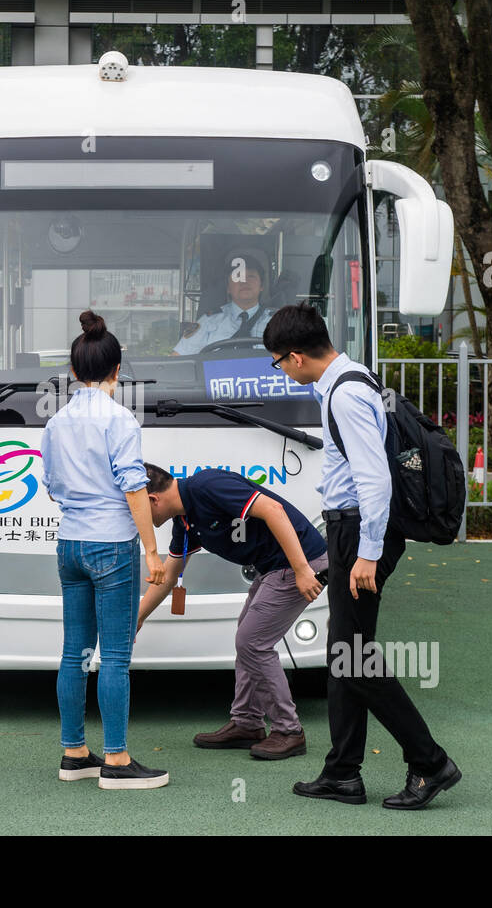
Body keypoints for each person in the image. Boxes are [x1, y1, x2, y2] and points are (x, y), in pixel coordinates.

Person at [264, 302, 460, 809]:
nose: (282, 372)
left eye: (278, 363)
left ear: (295, 356)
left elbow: (375, 480)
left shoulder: (345, 395)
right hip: (352, 532)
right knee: (344, 653)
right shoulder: (354, 378)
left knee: (352, 659)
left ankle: (430, 763)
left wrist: (367, 555)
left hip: (360, 535)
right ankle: (343, 772)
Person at [41, 310, 170, 790]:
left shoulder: (56, 423)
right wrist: (153, 553)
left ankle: (74, 753)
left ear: (73, 372)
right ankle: (116, 761)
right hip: (111, 545)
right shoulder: (121, 420)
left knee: (74, 651)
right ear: (118, 370)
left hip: (69, 543)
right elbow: (135, 490)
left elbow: (51, 487)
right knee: (115, 656)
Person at [137, 466, 328, 760]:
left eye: (136, 511)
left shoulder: (207, 486)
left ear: (152, 500)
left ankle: (289, 731)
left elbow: (273, 509)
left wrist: (302, 569)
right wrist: (137, 618)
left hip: (299, 562)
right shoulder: (185, 521)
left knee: (252, 642)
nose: (138, 521)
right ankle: (247, 723)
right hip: (275, 567)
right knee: (248, 635)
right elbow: (171, 575)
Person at [172, 248, 275, 356]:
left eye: (251, 276)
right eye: (237, 276)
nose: (244, 281)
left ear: (262, 286)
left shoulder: (279, 324)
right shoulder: (208, 321)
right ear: (228, 288)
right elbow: (177, 358)